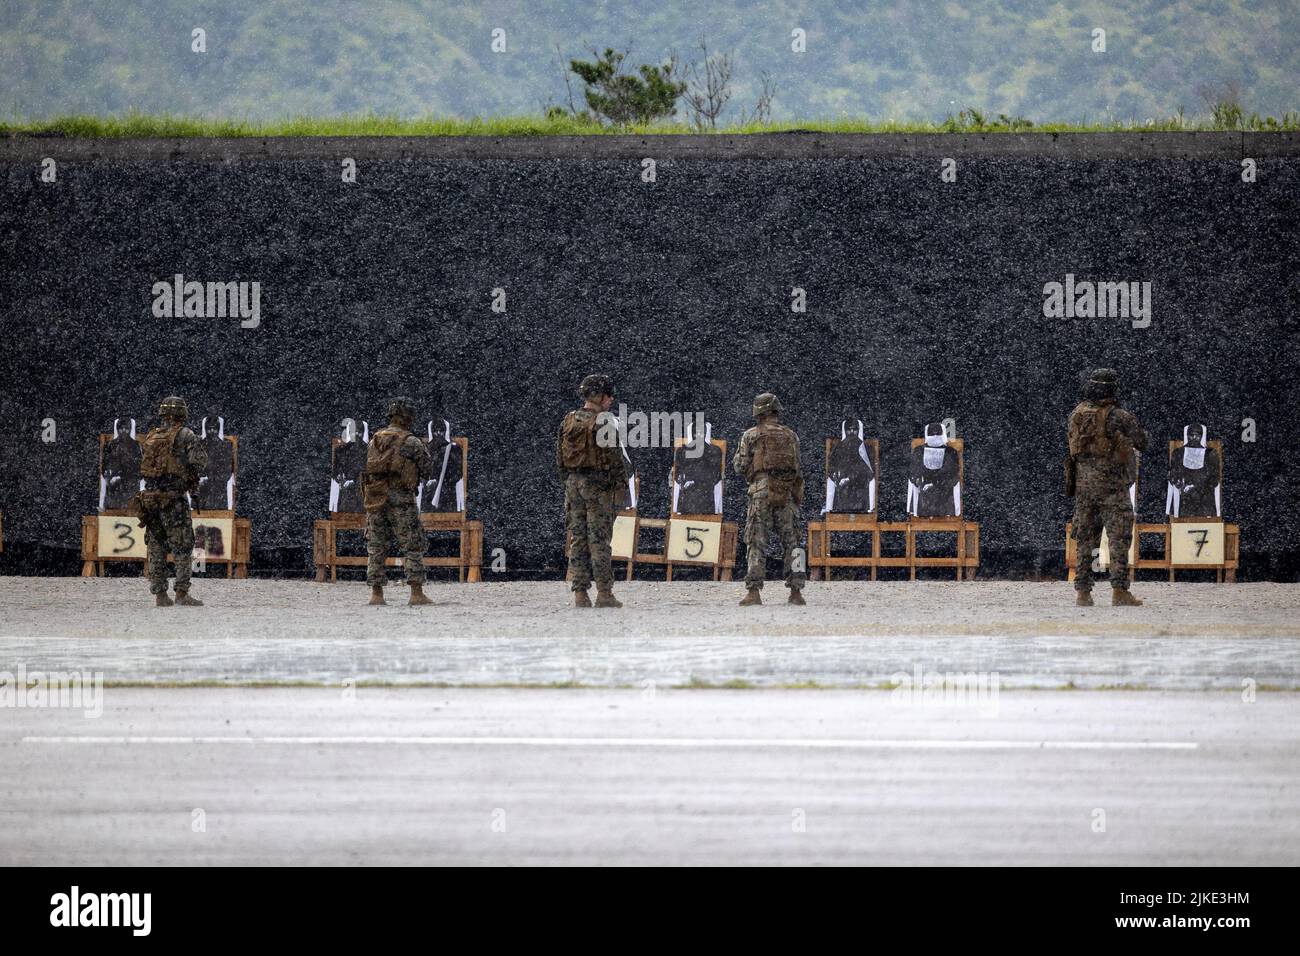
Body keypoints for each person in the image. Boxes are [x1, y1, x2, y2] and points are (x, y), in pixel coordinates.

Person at [1066, 369, 1148, 606]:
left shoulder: (1076, 415)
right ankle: (1119, 591)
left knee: (1085, 540)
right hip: (1113, 488)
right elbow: (1142, 442)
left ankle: (1083, 593)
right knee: (1118, 540)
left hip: (1084, 488)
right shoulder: (1119, 417)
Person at [557, 374, 627, 608]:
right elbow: (615, 460)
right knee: (599, 541)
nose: (611, 400)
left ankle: (580, 593)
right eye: (609, 396)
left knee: (578, 539)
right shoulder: (604, 422)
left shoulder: (568, 420)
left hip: (574, 485)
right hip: (598, 487)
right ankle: (604, 592)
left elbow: (560, 459)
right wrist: (620, 488)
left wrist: (570, 482)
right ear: (602, 397)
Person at [133, 395, 208, 607]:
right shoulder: (186, 435)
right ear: (182, 414)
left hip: (150, 499)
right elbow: (199, 462)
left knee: (156, 546)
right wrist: (188, 477)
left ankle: (160, 595)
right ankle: (182, 593)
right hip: (173, 499)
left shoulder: (152, 435)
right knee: (182, 546)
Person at [733, 392, 807, 606]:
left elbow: (740, 466)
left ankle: (754, 592)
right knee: (793, 543)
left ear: (758, 412)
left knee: (756, 542)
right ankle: (796, 592)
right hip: (786, 493)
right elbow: (798, 466)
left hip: (761, 492)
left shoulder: (751, 435)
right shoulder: (791, 435)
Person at [364, 397, 435, 606]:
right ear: (407, 418)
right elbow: (427, 469)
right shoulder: (411, 442)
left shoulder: (374, 440)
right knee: (412, 544)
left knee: (376, 546)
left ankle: (376, 594)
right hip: (402, 499)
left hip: (376, 499)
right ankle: (416, 593)